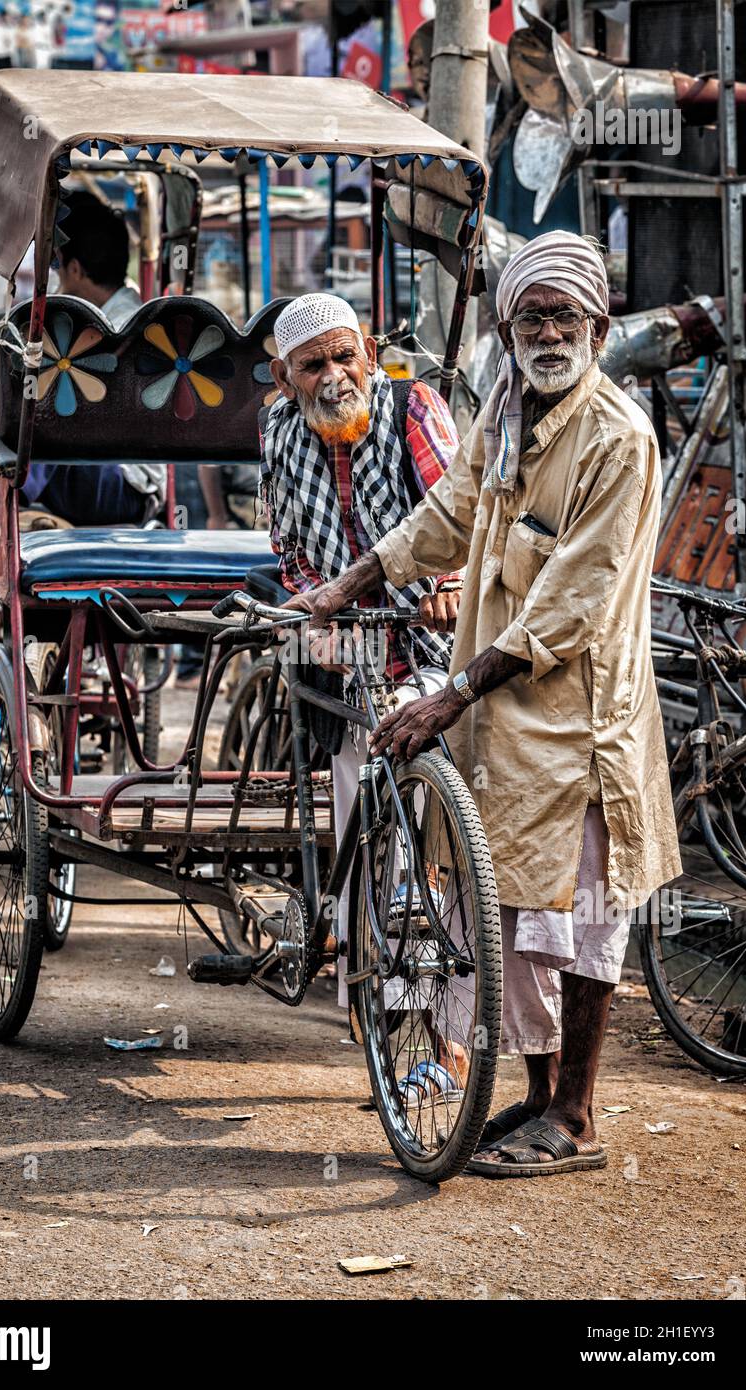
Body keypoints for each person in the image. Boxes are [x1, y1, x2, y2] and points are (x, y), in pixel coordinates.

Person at [289, 235, 682, 1177]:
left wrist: (449, 695)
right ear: (506, 330)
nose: (549, 333)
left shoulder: (618, 438)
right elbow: (448, 516)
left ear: (597, 325)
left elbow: (572, 604)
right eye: (531, 317)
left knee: (587, 920)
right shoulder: (508, 417)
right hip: (505, 722)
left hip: (584, 725)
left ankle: (578, 1116)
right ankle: (541, 1097)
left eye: (566, 316)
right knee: (515, 921)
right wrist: (351, 582)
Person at [261, 292, 464, 1030]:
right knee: (357, 808)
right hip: (346, 646)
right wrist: (316, 600)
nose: (333, 375)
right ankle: (368, 988)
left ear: (369, 355)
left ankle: (442, 1003)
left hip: (428, 632)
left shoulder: (414, 406)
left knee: (435, 808)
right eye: (312, 365)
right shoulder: (278, 430)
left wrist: (444, 584)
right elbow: (283, 541)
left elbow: (455, 511)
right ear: (285, 380)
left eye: (346, 356)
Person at [0, 194, 164, 525]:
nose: (55, 281)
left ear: (75, 268)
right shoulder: (99, 318)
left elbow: (64, 403)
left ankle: (8, 501)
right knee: (14, 398)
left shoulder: (115, 324)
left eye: (57, 267)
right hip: (94, 476)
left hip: (123, 489)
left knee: (36, 406)